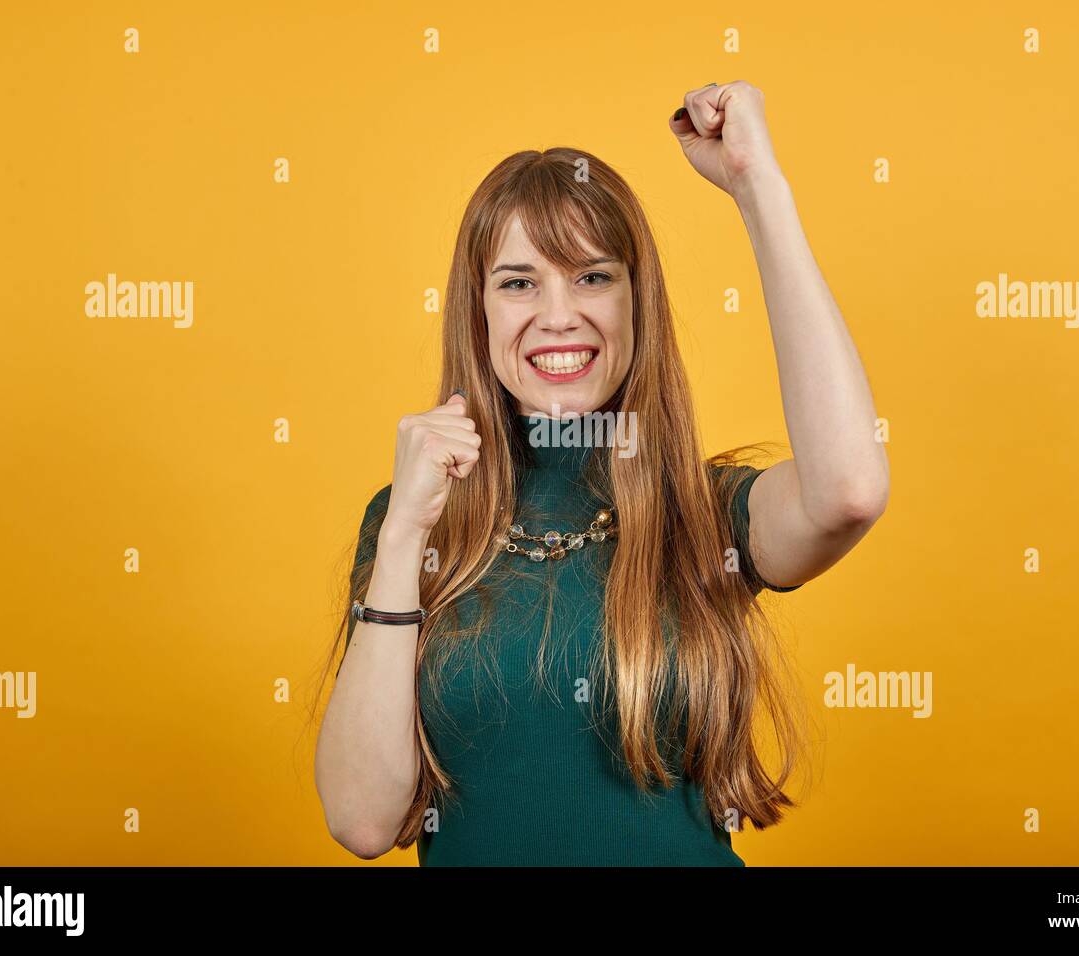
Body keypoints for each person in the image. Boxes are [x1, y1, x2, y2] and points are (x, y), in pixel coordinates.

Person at [313, 81, 889, 865]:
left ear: (635, 302)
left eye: (592, 276)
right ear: (477, 311)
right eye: (519, 282)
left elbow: (850, 491)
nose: (558, 315)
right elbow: (362, 820)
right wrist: (408, 529)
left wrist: (758, 185)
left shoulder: (703, 513)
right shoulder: (410, 521)